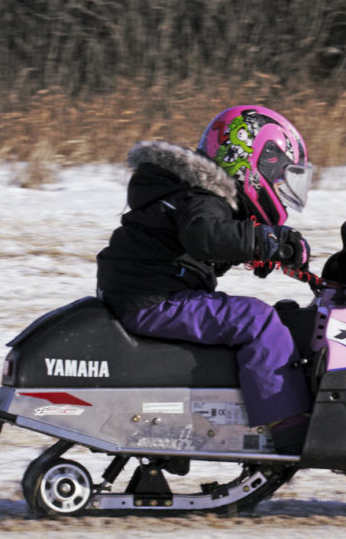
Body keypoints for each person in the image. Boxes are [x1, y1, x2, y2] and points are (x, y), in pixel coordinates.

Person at [96, 105, 315, 454]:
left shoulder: (190, 193)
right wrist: (268, 241)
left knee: (257, 317)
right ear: (252, 162)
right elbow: (206, 234)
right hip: (154, 298)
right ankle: (287, 424)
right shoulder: (202, 196)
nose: (282, 186)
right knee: (257, 320)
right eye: (280, 175)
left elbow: (200, 242)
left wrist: (255, 252)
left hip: (145, 291)